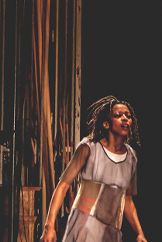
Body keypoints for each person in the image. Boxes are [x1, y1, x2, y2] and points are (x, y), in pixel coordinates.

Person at [42, 96, 146, 242]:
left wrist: (139, 232)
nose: (125, 119)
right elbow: (63, 185)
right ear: (106, 124)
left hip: (112, 230)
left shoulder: (131, 157)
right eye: (118, 115)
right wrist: (49, 225)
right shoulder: (89, 148)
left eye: (128, 116)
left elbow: (127, 200)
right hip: (85, 224)